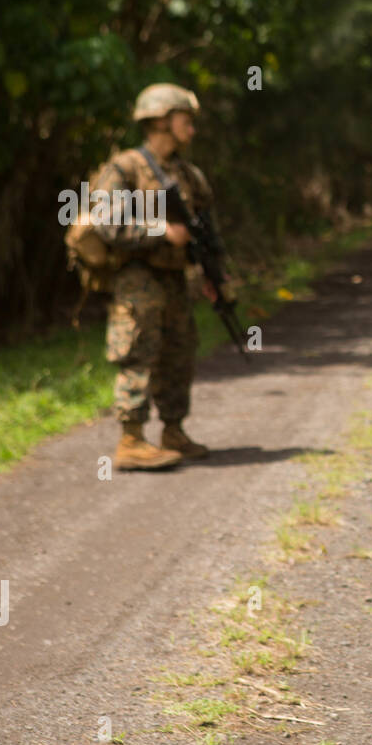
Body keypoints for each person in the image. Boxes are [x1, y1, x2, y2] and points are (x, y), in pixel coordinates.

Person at [89, 82, 220, 470]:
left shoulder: (187, 174)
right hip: (136, 277)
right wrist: (161, 230)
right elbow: (106, 224)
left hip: (175, 278)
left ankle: (173, 430)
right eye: (186, 121)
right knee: (138, 350)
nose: (192, 130)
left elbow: (208, 229)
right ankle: (130, 440)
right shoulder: (125, 168)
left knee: (180, 351)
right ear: (162, 121)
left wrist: (216, 274)